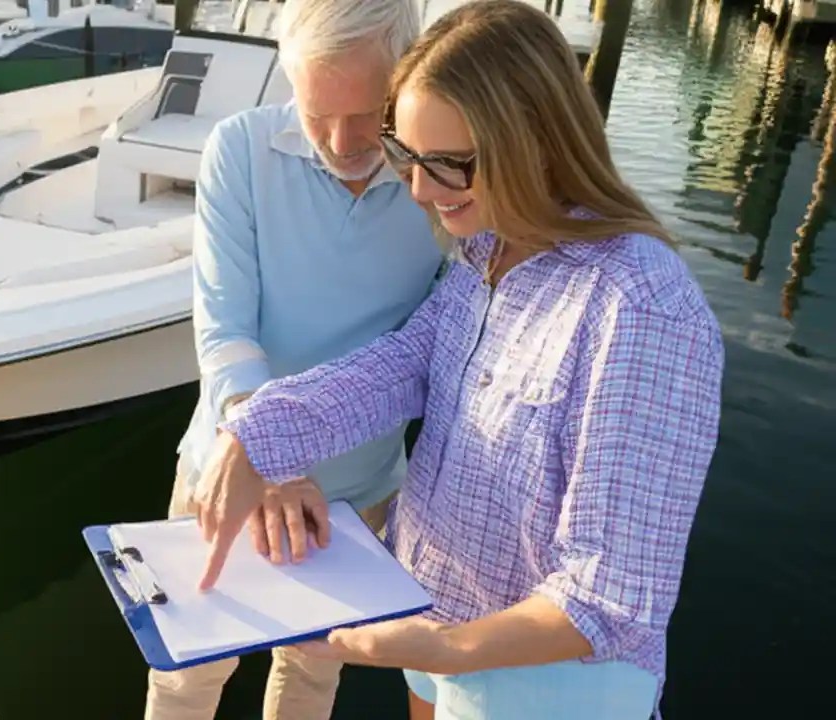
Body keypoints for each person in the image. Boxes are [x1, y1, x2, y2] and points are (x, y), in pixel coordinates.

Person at [190, 2, 725, 719]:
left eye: (446, 163)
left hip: (544, 682)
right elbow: (405, 365)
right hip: (441, 638)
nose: (418, 190)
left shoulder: (642, 308)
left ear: (536, 138)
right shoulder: (486, 251)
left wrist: (448, 649)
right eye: (408, 157)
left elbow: (613, 595)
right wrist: (253, 435)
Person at [146, 0, 443, 718]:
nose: (342, 142)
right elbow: (223, 328)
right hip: (228, 465)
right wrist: (272, 454)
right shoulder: (237, 149)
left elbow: (435, 339)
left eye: (368, 115)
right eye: (317, 115)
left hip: (359, 489)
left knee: (311, 674)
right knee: (187, 675)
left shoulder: (440, 179)